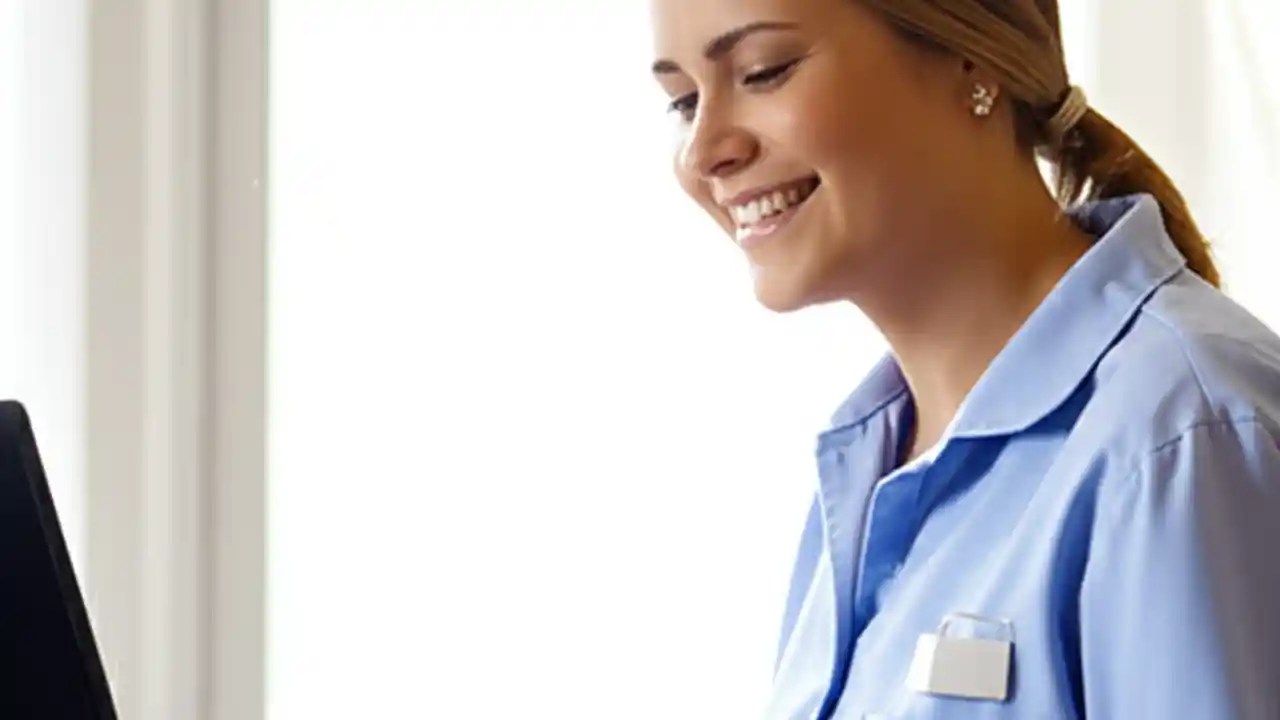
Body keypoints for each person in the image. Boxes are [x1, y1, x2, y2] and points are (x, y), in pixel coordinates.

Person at [649, 1, 1280, 718]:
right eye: (683, 101)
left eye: (764, 72)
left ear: (973, 59)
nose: (705, 152)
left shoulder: (1181, 437)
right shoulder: (868, 467)